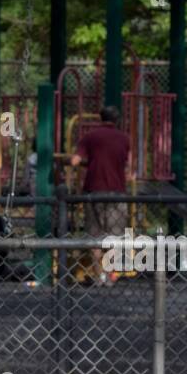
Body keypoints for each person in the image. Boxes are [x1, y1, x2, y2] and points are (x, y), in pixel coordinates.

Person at [70, 105, 131, 284]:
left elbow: (75, 161)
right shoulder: (125, 139)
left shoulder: (90, 137)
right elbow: (128, 165)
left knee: (94, 235)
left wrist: (83, 163)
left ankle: (99, 276)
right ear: (117, 120)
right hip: (117, 190)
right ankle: (111, 275)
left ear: (100, 118)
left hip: (94, 189)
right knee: (115, 235)